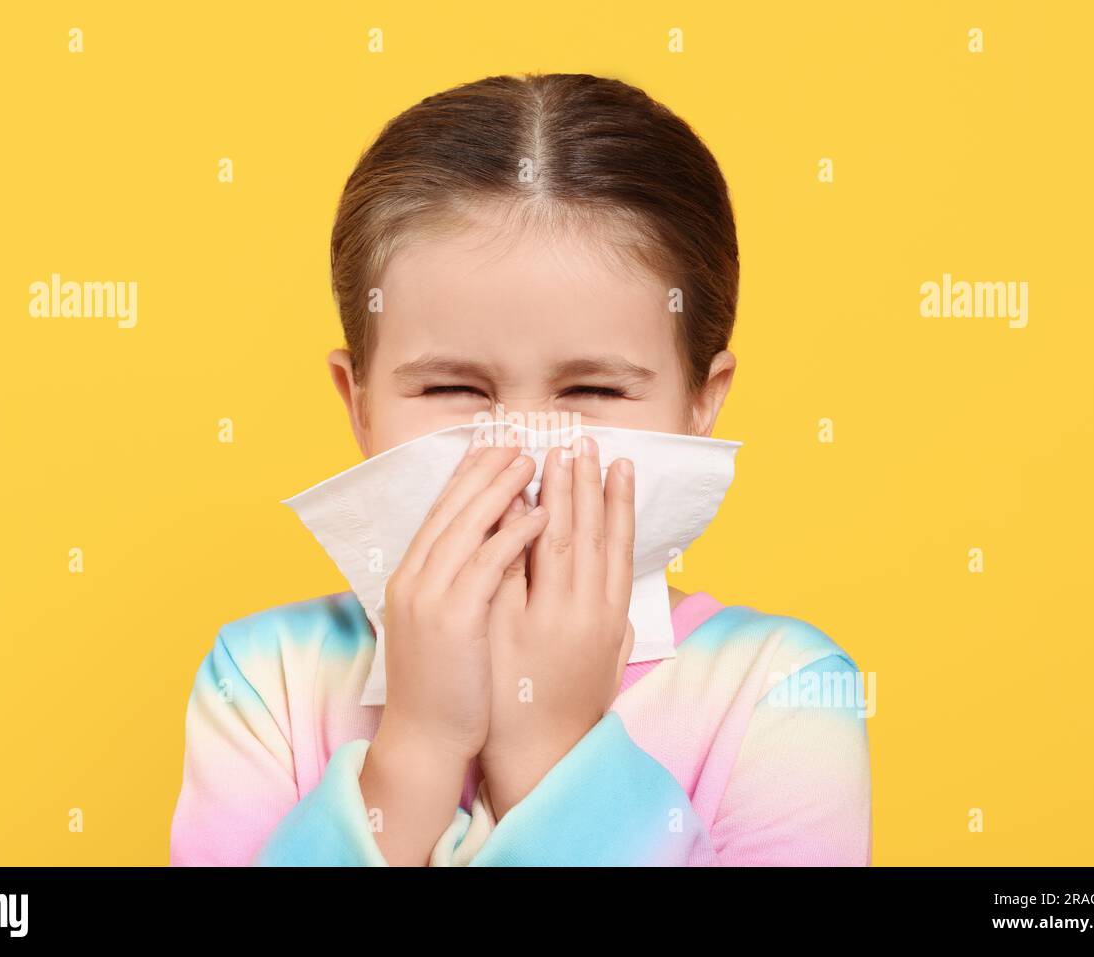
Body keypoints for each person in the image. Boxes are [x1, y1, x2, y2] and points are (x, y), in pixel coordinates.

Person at [169, 72, 871, 866]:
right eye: (453, 388)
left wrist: (553, 752)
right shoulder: (264, 679)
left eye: (594, 388)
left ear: (700, 403)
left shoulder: (780, 690)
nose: (521, 446)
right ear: (358, 402)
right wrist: (418, 749)